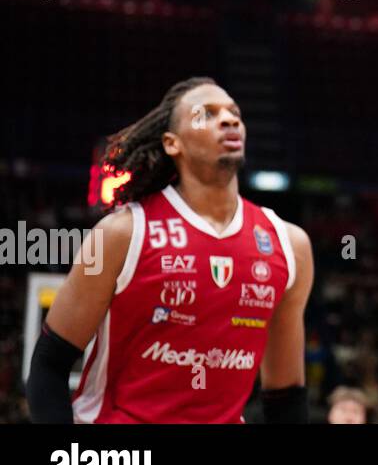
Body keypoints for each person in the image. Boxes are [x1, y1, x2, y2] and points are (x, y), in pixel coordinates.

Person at [26, 77, 314, 424]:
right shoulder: (121, 233)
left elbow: (285, 397)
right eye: (205, 114)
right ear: (172, 143)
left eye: (234, 113)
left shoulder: (288, 244)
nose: (229, 119)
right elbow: (49, 363)